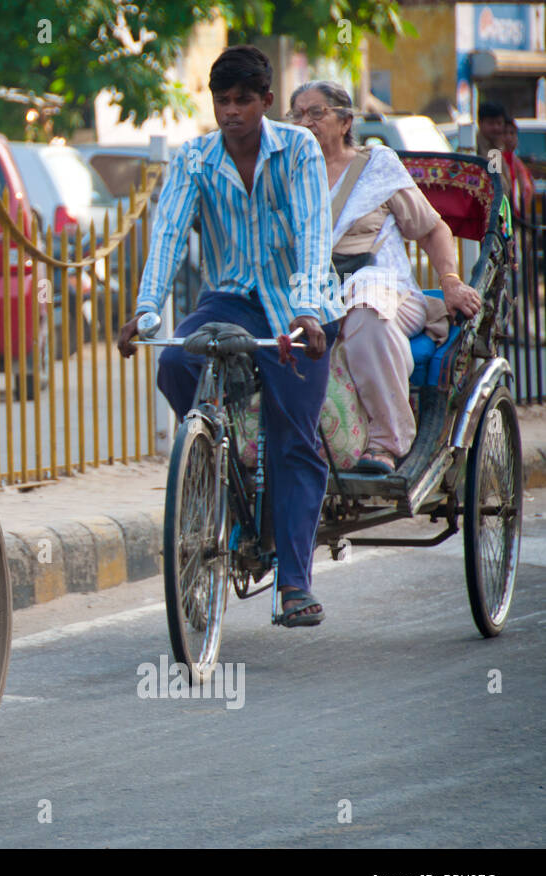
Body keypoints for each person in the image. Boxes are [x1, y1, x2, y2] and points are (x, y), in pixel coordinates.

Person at [116, 45, 341, 628]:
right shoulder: (194, 159)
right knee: (174, 364)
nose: (232, 111)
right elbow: (165, 237)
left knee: (293, 438)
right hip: (229, 300)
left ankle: (293, 583)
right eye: (223, 100)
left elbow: (316, 234)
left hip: (299, 305)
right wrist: (145, 315)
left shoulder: (298, 150)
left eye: (244, 100)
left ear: (267, 102)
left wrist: (309, 310)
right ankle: (219, 459)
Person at [287, 81, 482, 475]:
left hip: (386, 290)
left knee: (365, 310)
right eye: (297, 114)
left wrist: (449, 281)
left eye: (316, 113)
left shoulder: (377, 166)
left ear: (344, 122)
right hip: (314, 292)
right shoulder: (288, 174)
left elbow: (433, 230)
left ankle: (388, 442)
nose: (304, 122)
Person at [501, 119, 535, 214]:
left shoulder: (517, 162)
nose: (509, 137)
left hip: (518, 216)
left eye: (512, 133)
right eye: (505, 133)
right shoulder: (498, 159)